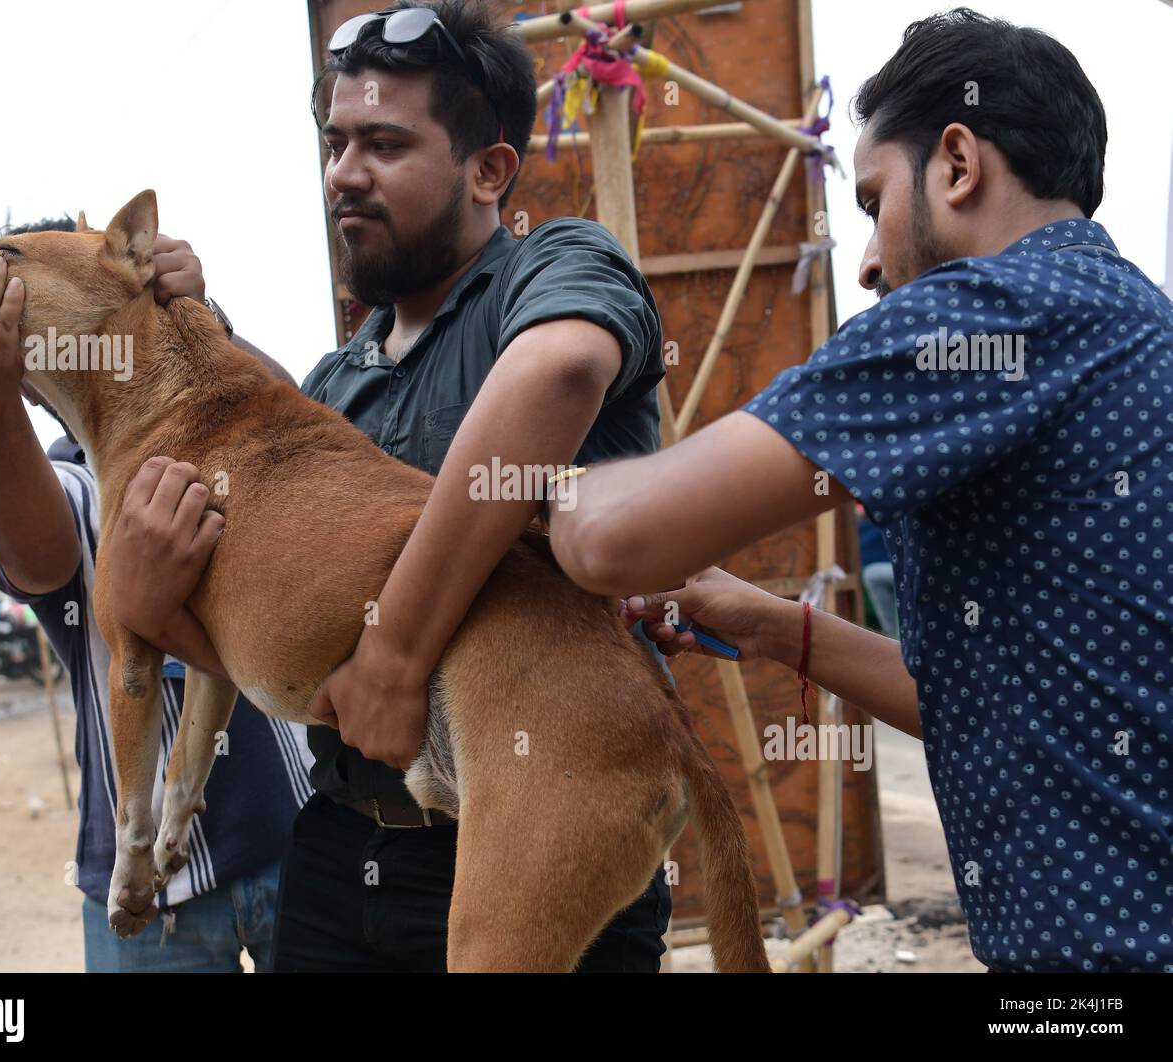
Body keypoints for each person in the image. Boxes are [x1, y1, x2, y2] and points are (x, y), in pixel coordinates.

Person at [546, 8, 1173, 973]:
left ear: (958, 164)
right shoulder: (1132, 323)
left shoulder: (994, 315)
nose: (871, 262)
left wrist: (508, 480)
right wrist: (753, 617)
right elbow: (982, 702)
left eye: (874, 200)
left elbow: (608, 540)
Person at [107, 0, 675, 972]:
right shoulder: (329, 388)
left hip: (528, 819)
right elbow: (289, 669)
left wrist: (397, 652)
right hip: (339, 839)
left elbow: (559, 376)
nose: (343, 174)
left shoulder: (552, 268)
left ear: (489, 170)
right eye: (333, 143)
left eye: (383, 143)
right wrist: (156, 610)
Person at [0, 216, 313, 972]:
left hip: (299, 843)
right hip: (151, 911)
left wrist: (208, 316)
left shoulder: (231, 432)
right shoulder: (59, 480)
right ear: (27, 382)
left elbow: (307, 438)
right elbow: (36, 558)